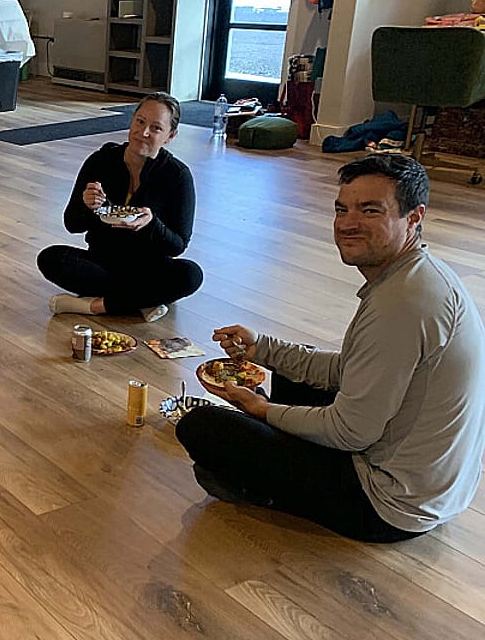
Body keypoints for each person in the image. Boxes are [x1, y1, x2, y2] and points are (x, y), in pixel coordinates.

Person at [177, 154, 485, 542]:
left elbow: (350, 432)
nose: (348, 223)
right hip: (430, 485)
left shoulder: (403, 304)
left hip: (388, 506)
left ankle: (266, 486)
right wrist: (263, 349)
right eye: (342, 209)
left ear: (414, 217)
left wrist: (262, 409)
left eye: (370, 210)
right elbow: (351, 371)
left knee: (201, 428)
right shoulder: (415, 276)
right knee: (293, 375)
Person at [39, 92, 202, 323]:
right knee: (50, 258)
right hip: (101, 262)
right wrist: (88, 207)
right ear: (132, 119)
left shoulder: (177, 176)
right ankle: (143, 301)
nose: (143, 132)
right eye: (140, 121)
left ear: (170, 136)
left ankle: (94, 305)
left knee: (190, 274)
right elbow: (72, 224)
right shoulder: (101, 161)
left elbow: (178, 245)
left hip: (148, 268)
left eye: (155, 128)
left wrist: (151, 223)